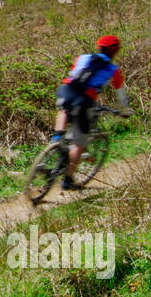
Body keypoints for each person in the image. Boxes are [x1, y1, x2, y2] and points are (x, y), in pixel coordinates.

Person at [52, 35, 131, 190]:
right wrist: (125, 110)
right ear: (115, 52)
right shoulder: (113, 70)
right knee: (79, 143)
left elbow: (74, 74)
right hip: (85, 100)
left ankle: (56, 138)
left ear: (98, 47)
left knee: (63, 109)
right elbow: (120, 93)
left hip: (65, 89)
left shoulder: (83, 57)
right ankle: (67, 180)